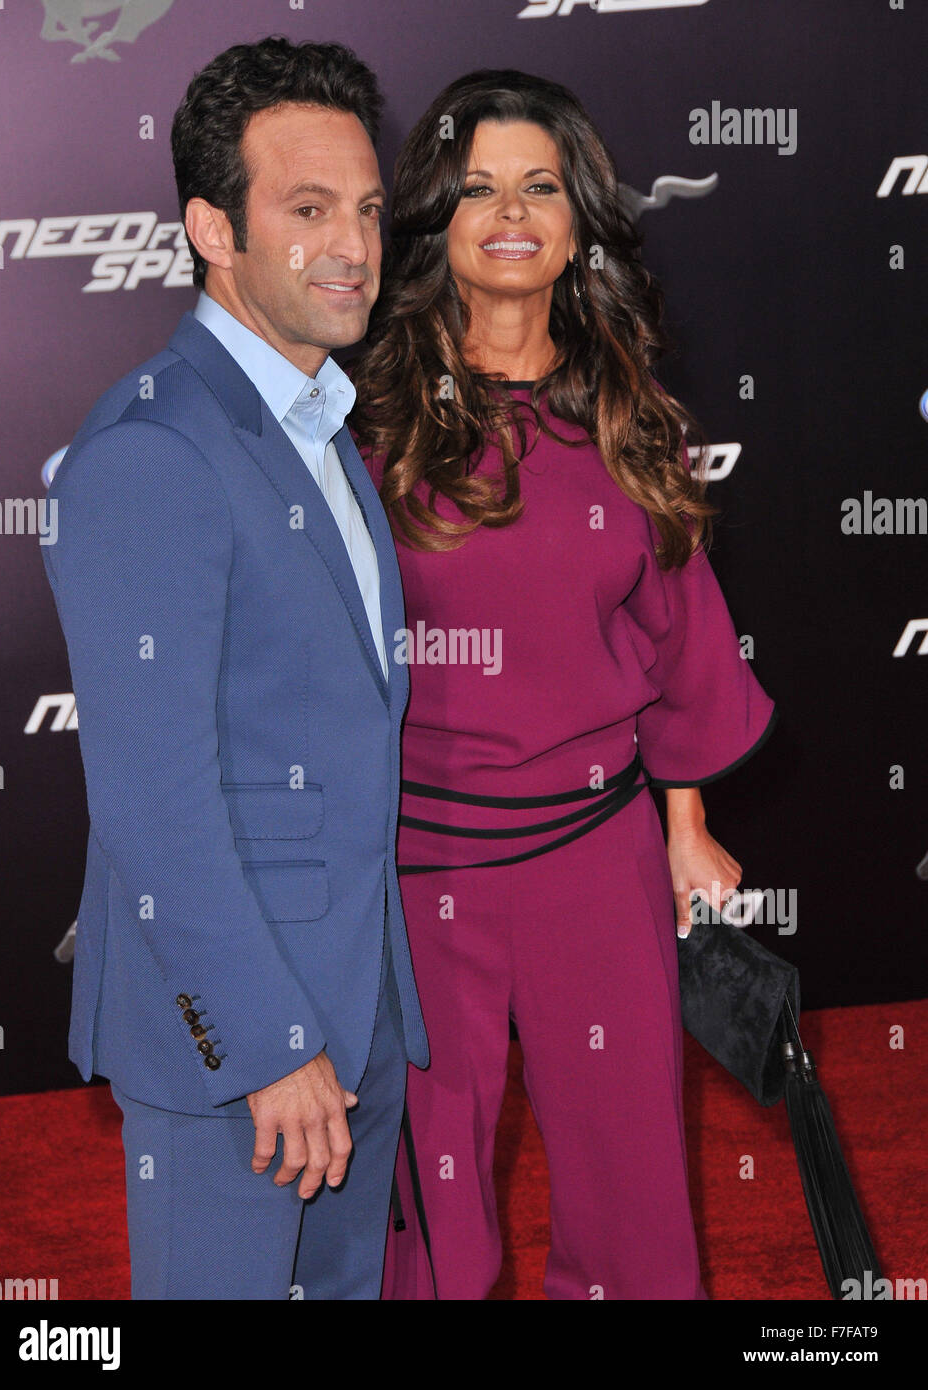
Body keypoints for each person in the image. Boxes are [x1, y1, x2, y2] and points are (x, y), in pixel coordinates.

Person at [350, 69, 777, 1300]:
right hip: (416, 866)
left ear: (579, 218)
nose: (509, 210)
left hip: (595, 860)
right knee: (425, 1208)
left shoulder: (629, 416)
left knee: (631, 1187)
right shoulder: (365, 423)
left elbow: (678, 633)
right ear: (436, 217)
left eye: (538, 183)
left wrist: (683, 829)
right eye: (476, 186)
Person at [41, 37, 427, 1300]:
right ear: (212, 227)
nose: (354, 246)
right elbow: (153, 803)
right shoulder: (155, 451)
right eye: (307, 210)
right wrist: (264, 1045)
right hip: (241, 1053)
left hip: (354, 1010)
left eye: (366, 209)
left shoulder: (312, 417)